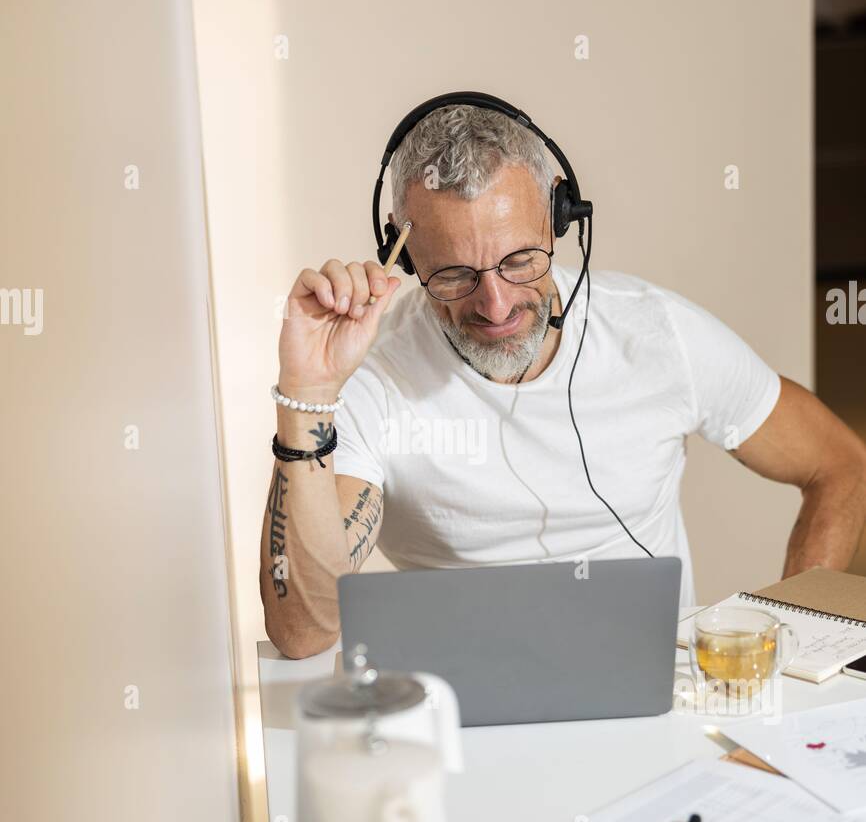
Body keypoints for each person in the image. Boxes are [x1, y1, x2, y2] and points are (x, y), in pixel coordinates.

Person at [260, 105, 866, 659]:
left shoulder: (656, 334)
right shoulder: (374, 372)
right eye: (452, 274)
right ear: (403, 249)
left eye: (520, 260)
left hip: (656, 694)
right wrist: (308, 392)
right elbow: (305, 630)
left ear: (558, 216)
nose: (495, 306)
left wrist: (793, 643)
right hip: (467, 713)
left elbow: (839, 465)